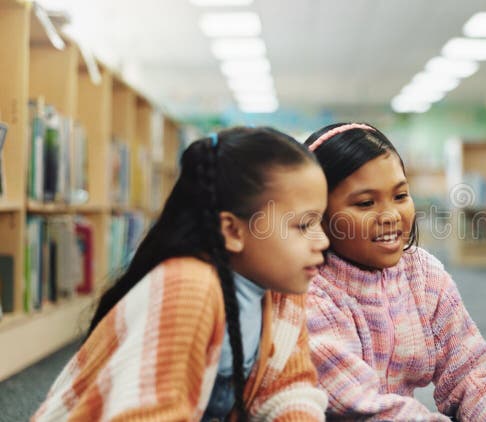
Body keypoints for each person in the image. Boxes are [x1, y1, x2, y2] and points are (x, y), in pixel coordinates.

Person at [33, 127, 330, 421]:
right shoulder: (189, 287)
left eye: (321, 221)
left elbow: (287, 389)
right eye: (304, 225)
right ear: (231, 231)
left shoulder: (280, 291)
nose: (323, 241)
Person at [303, 122, 486, 421]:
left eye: (400, 196)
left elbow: (471, 374)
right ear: (318, 212)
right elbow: (361, 407)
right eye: (365, 203)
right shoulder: (308, 289)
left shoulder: (422, 273)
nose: (391, 215)